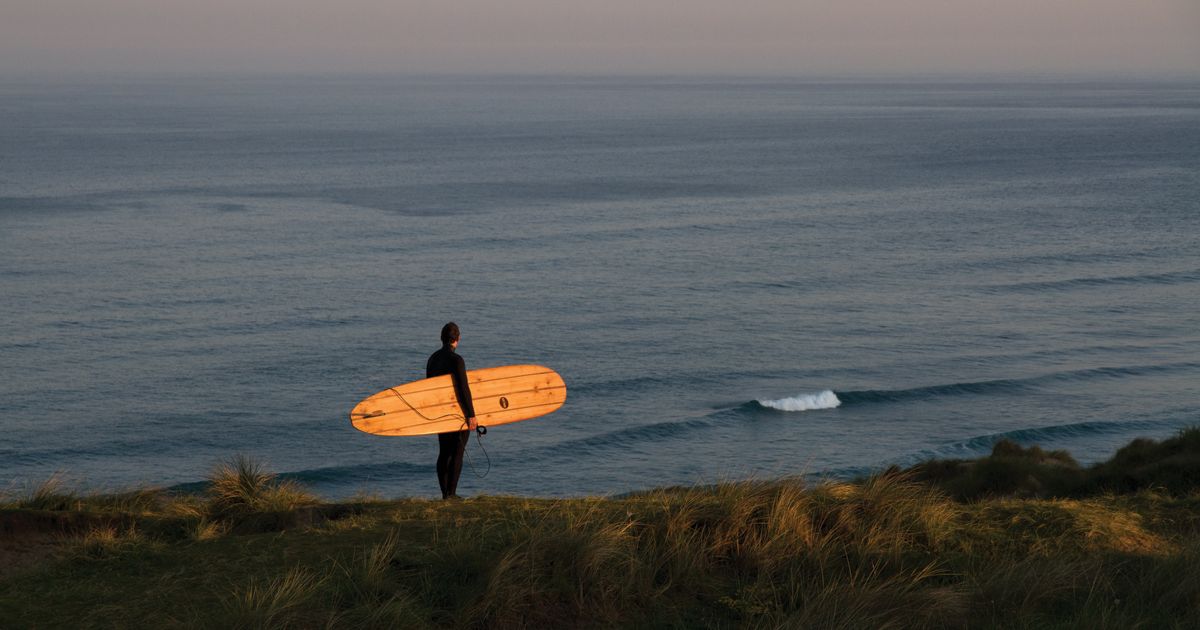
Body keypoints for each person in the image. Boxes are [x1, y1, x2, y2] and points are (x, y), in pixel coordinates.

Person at [426, 322, 478, 500]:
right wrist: (471, 415)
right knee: (457, 452)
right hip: (458, 413)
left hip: (440, 413)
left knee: (443, 452)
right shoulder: (457, 360)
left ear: (442, 338)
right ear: (458, 339)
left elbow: (428, 389)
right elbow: (464, 389)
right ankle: (452, 494)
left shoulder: (432, 359)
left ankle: (444, 494)